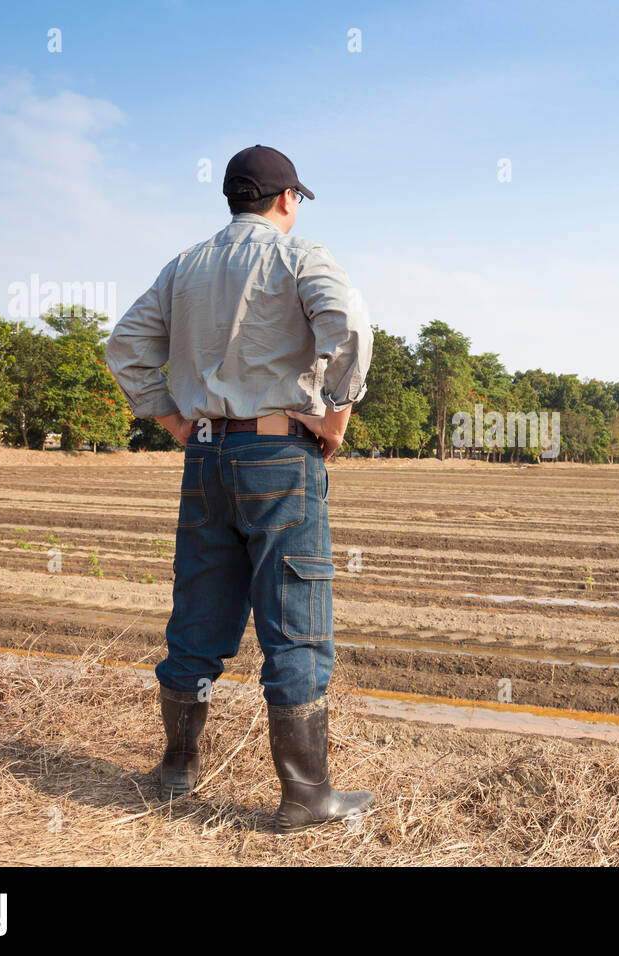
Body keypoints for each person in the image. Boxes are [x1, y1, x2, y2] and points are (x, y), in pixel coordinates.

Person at [106, 144, 374, 832]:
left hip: (204, 460)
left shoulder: (186, 266)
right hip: (278, 456)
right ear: (288, 199)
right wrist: (336, 416)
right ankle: (306, 796)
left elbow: (127, 344)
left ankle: (173, 771)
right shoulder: (301, 256)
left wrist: (172, 420)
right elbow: (348, 326)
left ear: (231, 199)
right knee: (295, 626)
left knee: (198, 616)